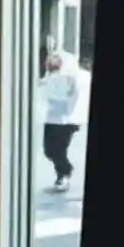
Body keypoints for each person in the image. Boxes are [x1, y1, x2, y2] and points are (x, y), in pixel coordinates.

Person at [40, 52, 79, 191]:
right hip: (50, 119)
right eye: (50, 60)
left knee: (59, 150)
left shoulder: (68, 78)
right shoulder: (47, 78)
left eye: (55, 60)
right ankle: (65, 170)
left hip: (65, 121)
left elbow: (75, 95)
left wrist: (72, 113)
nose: (52, 62)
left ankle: (63, 174)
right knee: (49, 151)